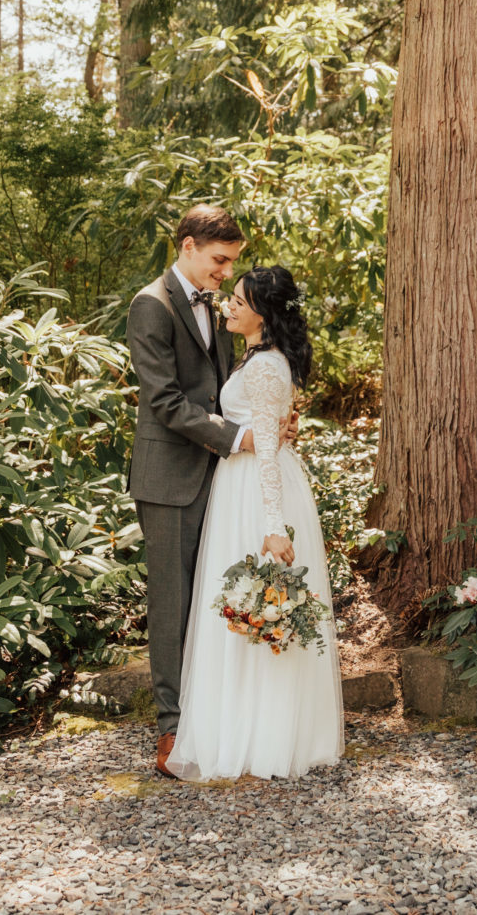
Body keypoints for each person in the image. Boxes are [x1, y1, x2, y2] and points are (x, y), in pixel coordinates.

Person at [124, 204, 296, 779]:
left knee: (212, 600)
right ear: (190, 245)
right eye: (221, 260)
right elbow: (165, 401)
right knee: (172, 605)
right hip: (171, 477)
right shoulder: (151, 305)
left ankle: (215, 718)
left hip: (223, 479)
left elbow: (233, 386)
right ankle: (172, 728)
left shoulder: (218, 312)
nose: (226, 273)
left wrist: (269, 419)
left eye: (233, 264)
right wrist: (240, 435)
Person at [166, 264, 343, 781]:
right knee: (246, 610)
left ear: (263, 314)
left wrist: (273, 525)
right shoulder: (259, 358)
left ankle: (259, 737)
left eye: (240, 302)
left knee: (257, 605)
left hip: (256, 491)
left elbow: (266, 450)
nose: (230, 307)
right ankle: (241, 727)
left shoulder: (265, 367)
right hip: (239, 484)